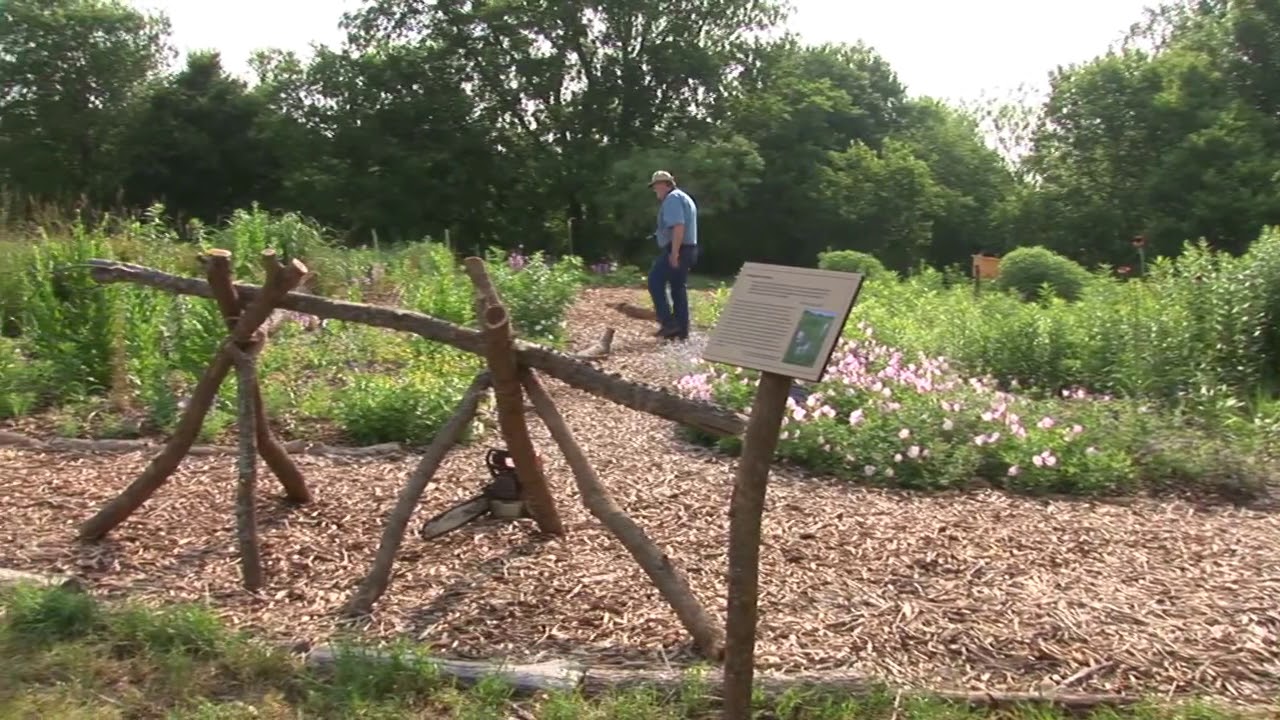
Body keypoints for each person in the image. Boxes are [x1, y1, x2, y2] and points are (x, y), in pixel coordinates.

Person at [646, 170, 699, 341]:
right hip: (689, 248)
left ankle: (668, 323)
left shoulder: (672, 199)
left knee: (654, 281)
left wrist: (674, 253)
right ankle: (681, 331)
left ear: (663, 184)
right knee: (677, 288)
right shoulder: (682, 197)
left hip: (679, 249)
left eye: (655, 186)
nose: (655, 191)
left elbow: (678, 226)